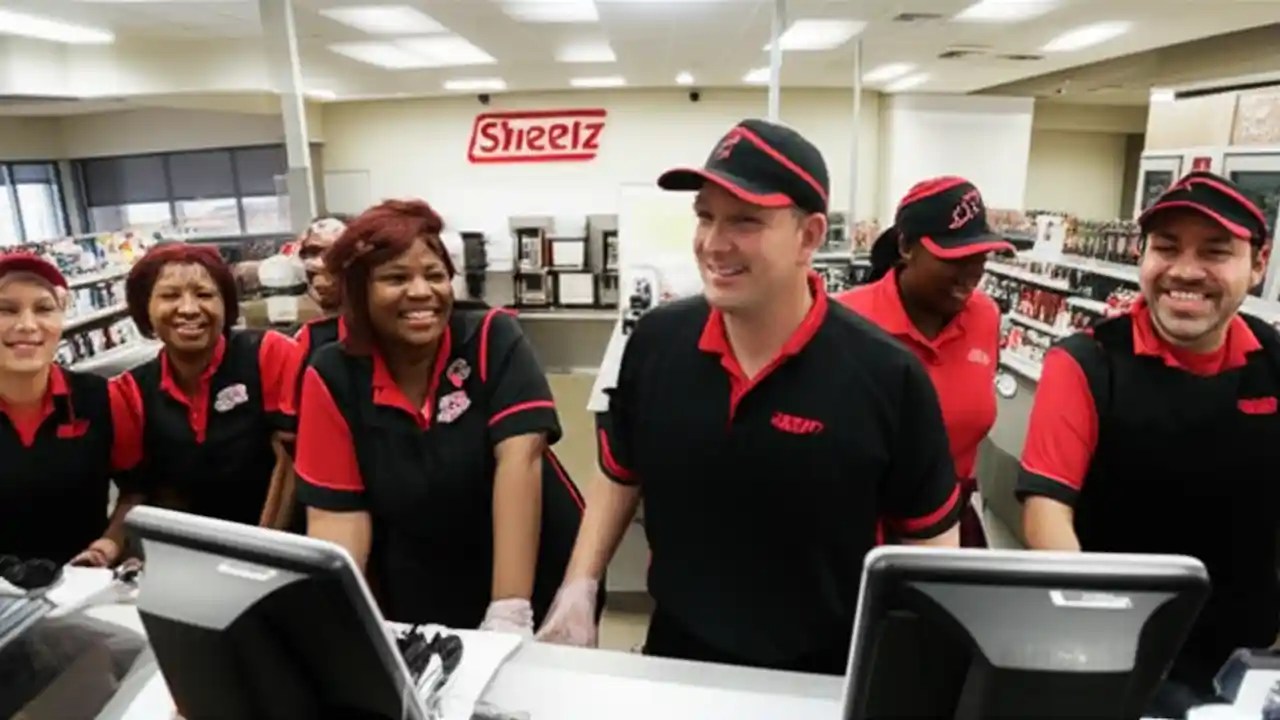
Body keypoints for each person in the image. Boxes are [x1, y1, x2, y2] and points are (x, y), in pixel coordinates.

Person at [536, 119, 962, 674]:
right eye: (705, 216)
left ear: (809, 236)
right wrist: (580, 586)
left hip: (823, 673)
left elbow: (928, 546)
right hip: (675, 656)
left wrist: (910, 676)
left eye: (745, 221)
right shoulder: (657, 343)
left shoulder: (886, 376)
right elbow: (621, 471)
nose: (714, 243)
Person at [1017, 171, 1279, 711]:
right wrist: (1100, 646)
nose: (1185, 270)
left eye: (1215, 251)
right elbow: (1047, 519)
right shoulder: (1085, 364)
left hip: (1249, 665)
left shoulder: (1274, 361)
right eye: (1165, 247)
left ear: (1258, 265)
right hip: (1114, 660)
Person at [292, 199, 588, 636]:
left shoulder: (491, 338)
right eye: (396, 278)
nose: (421, 292)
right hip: (422, 577)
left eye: (434, 275)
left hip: (532, 566)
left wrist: (510, 610)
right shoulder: (332, 374)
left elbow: (520, 461)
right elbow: (339, 518)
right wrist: (336, 621)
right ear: (358, 292)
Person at [838, 177, 1013, 547]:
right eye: (956, 257)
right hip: (860, 525)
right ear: (905, 246)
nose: (971, 274)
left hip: (952, 520)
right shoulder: (845, 322)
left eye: (980, 257)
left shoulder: (985, 317)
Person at [110, 243, 299, 528]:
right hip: (188, 551)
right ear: (145, 308)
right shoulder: (128, 391)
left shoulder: (270, 354)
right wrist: (109, 547)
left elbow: (291, 465)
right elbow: (136, 492)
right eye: (170, 295)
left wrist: (261, 552)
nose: (188, 309)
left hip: (281, 543)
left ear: (226, 304)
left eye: (204, 294)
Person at [0, 253, 139, 567]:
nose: (26, 325)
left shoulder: (103, 398)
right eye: (5, 309)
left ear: (61, 318)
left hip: (79, 591)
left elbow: (136, 491)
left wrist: (109, 545)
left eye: (44, 309)